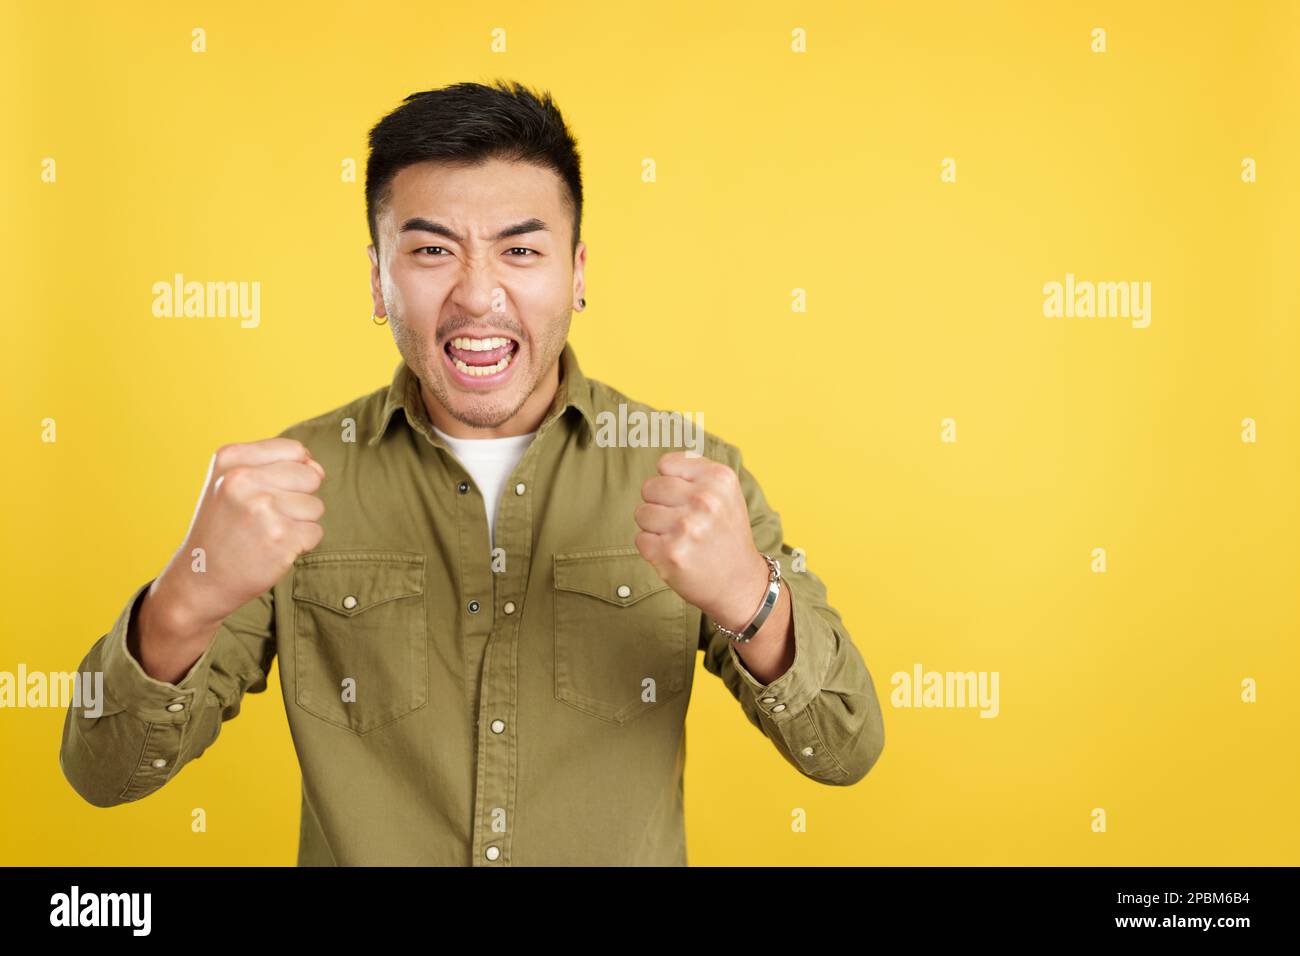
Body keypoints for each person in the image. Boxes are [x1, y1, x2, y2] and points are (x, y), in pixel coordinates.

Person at [59, 79, 885, 866]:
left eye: (520, 249)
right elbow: (105, 772)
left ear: (579, 272)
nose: (479, 295)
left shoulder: (692, 472)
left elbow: (845, 750)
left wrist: (752, 596)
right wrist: (187, 597)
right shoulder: (288, 485)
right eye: (431, 251)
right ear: (379, 281)